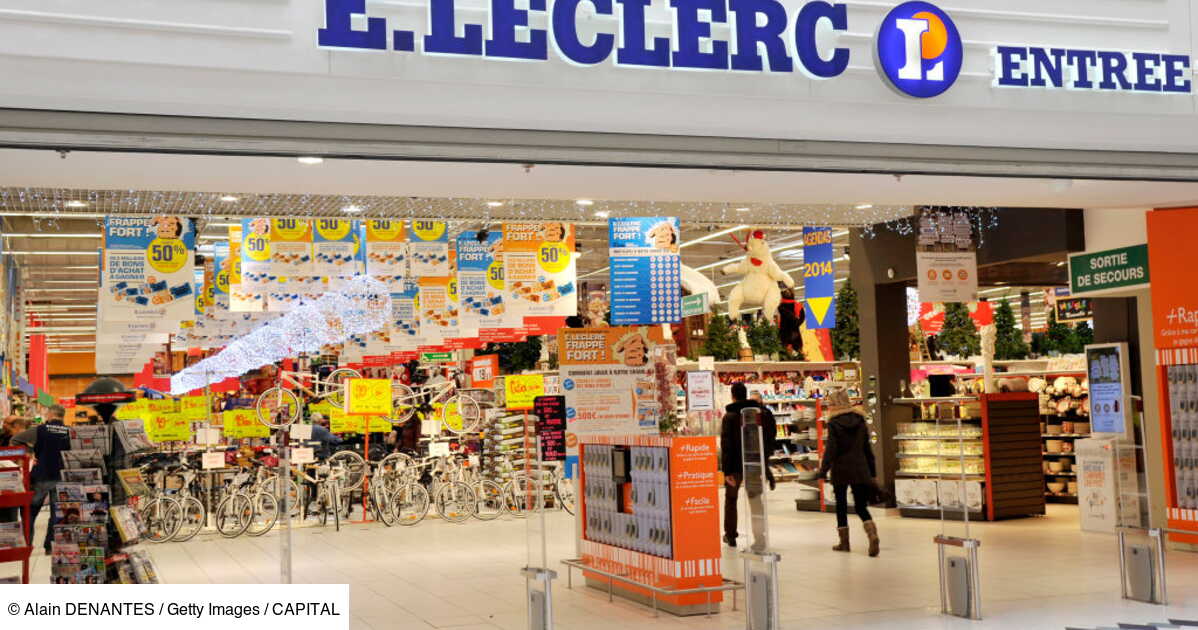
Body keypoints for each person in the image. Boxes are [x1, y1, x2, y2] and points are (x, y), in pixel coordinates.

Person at [818, 389, 880, 557]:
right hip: (860, 468)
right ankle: (872, 534)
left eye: (830, 403)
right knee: (860, 505)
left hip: (841, 469)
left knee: (841, 505)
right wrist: (872, 472)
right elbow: (867, 448)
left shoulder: (834, 423)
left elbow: (831, 449)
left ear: (835, 404)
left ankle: (844, 543)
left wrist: (823, 470)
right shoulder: (860, 420)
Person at [719, 382, 777, 548]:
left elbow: (726, 445)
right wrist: (764, 459)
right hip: (755, 464)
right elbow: (770, 437)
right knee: (756, 500)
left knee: (731, 499)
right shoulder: (763, 414)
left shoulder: (729, 417)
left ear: (733, 396)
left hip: (735, 466)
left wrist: (727, 471)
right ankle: (760, 538)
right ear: (746, 394)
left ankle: (730, 536)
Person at [12, 405, 71, 553]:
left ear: (50, 414)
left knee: (30, 511)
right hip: (62, 476)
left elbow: (16, 439)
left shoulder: (40, 430)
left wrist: (30, 453)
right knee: (56, 513)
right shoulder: (70, 431)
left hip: (41, 476)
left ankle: (27, 545)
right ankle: (49, 547)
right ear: (62, 416)